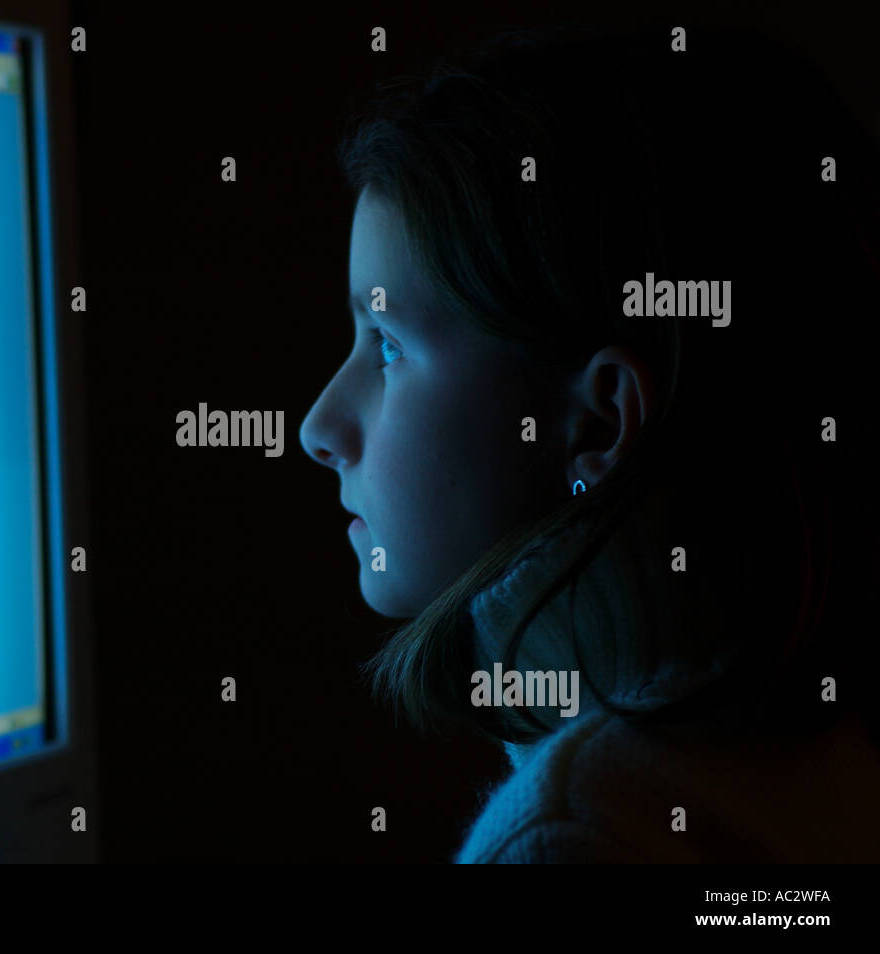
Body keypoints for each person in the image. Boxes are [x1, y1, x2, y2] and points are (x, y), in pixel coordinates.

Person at [298, 23, 880, 862]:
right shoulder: (822, 742)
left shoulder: (573, 834)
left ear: (601, 423)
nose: (319, 427)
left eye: (387, 344)